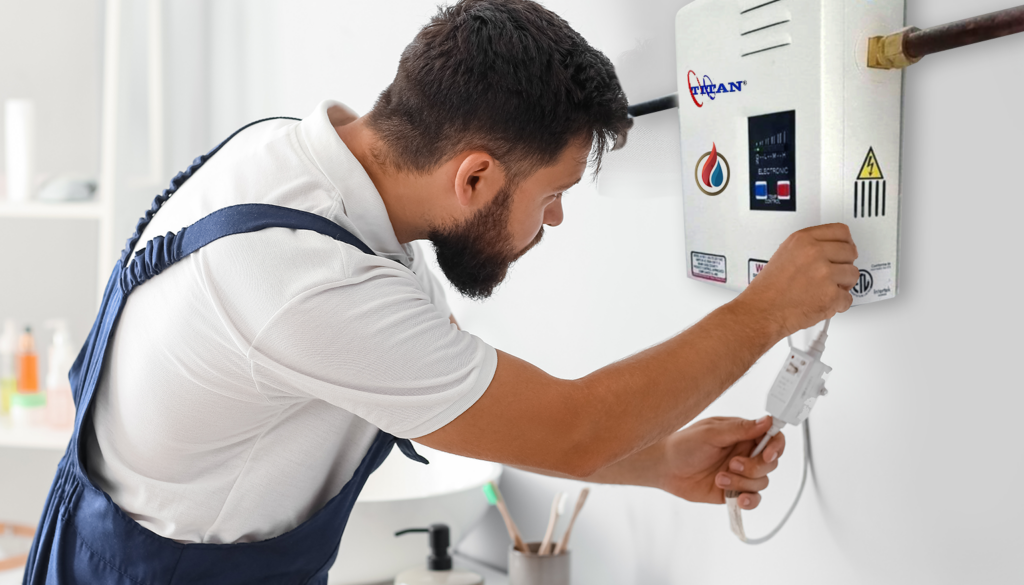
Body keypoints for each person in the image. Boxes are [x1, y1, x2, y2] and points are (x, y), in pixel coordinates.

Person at [24, 0, 859, 583]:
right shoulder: (306, 281)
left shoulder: (310, 172)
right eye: (552, 193)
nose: (557, 219)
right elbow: (574, 427)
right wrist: (768, 308)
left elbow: (442, 398)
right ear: (476, 175)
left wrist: (660, 463)